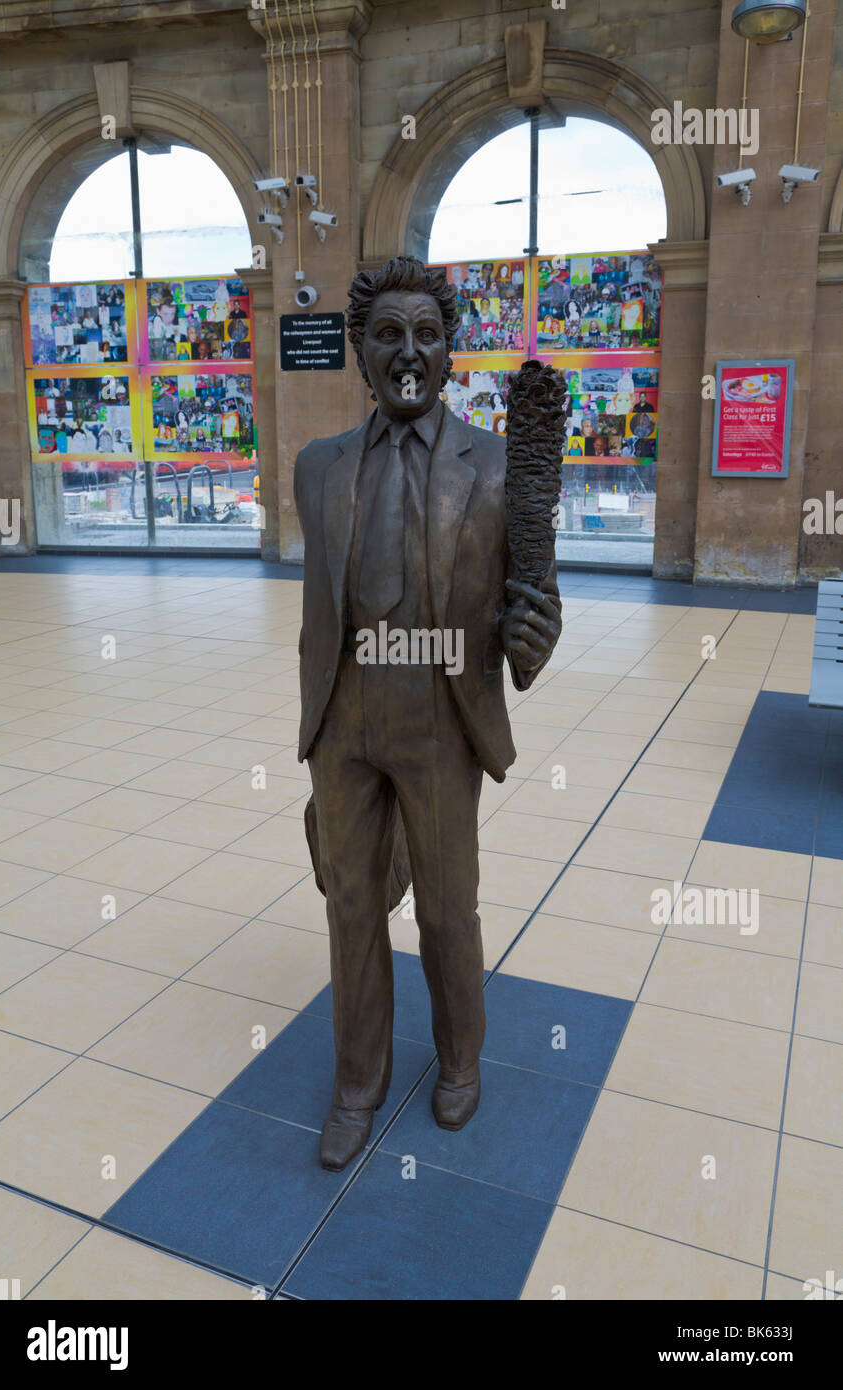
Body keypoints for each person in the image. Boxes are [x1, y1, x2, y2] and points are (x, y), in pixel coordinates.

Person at [294, 256, 562, 1172]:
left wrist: (534, 633)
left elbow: (534, 599)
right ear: (360, 354)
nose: (409, 353)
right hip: (344, 723)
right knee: (352, 905)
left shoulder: (495, 466)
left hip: (442, 716)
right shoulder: (318, 469)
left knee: (447, 909)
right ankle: (356, 1082)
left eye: (427, 335)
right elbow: (317, 609)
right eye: (388, 336)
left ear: (450, 352)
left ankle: (459, 1059)